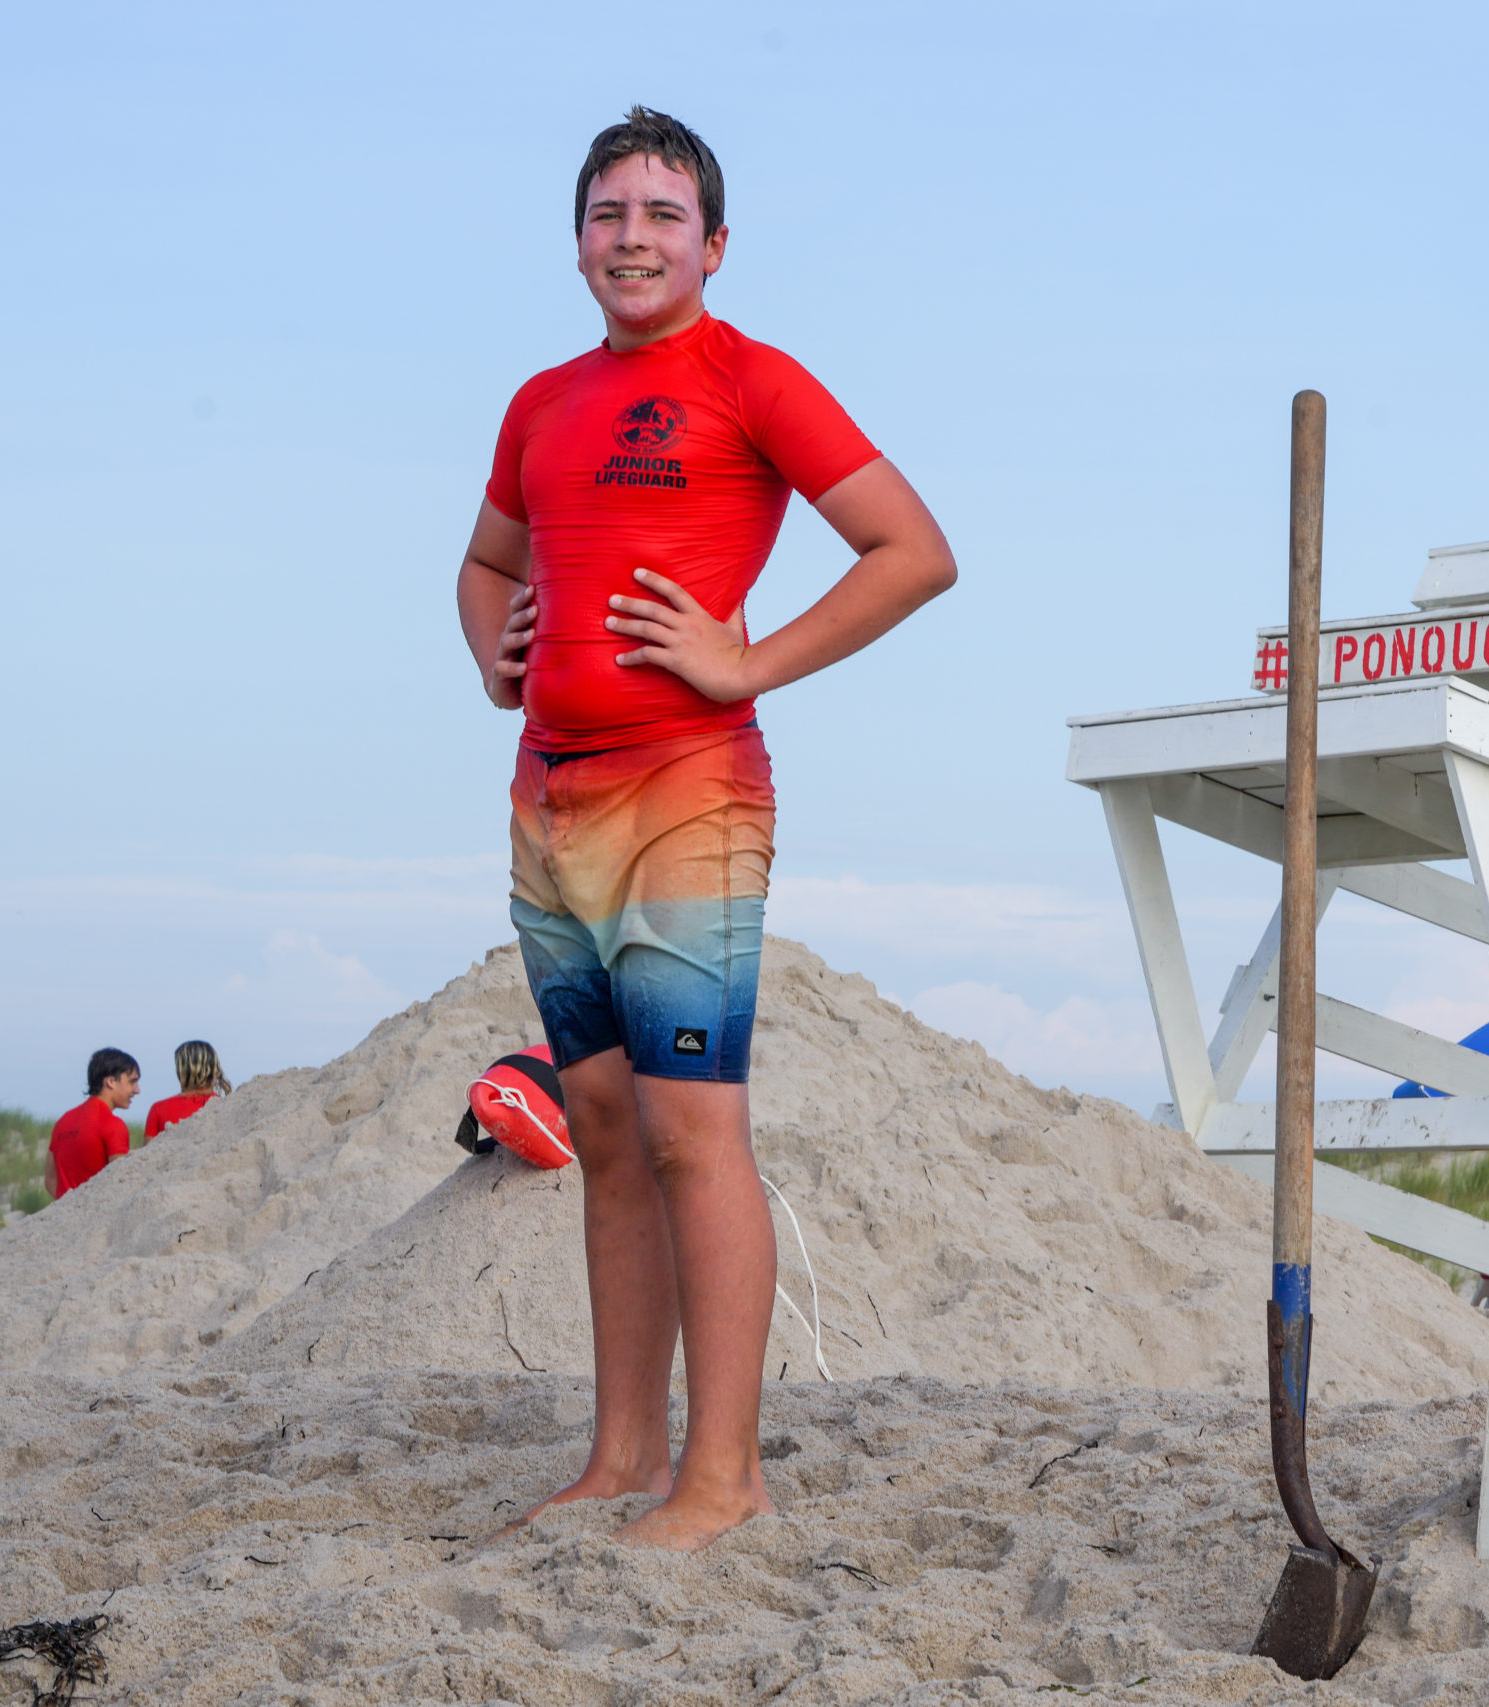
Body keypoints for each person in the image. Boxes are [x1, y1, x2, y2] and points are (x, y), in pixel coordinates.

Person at [455, 107, 955, 1552]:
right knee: (603, 1125)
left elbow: (914, 549)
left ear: (714, 243)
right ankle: (622, 1453)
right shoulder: (540, 400)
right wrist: (494, 651)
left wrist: (749, 660)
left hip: (689, 788)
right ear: (578, 241)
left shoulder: (751, 380)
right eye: (610, 214)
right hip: (547, 798)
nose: (633, 238)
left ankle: (724, 1475)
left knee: (689, 1130)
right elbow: (487, 563)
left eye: (663, 215)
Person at [49, 1048, 138, 1198]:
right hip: (99, 1217)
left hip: (65, 1217)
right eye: (132, 1082)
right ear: (110, 1082)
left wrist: (67, 1208)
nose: (137, 1090)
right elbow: (121, 1183)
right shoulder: (112, 1124)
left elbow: (50, 1180)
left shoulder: (63, 1122)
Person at [145, 1040, 231, 1139]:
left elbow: (148, 1152)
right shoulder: (226, 1107)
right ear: (215, 1070)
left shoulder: (159, 1109)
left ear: (180, 1071)